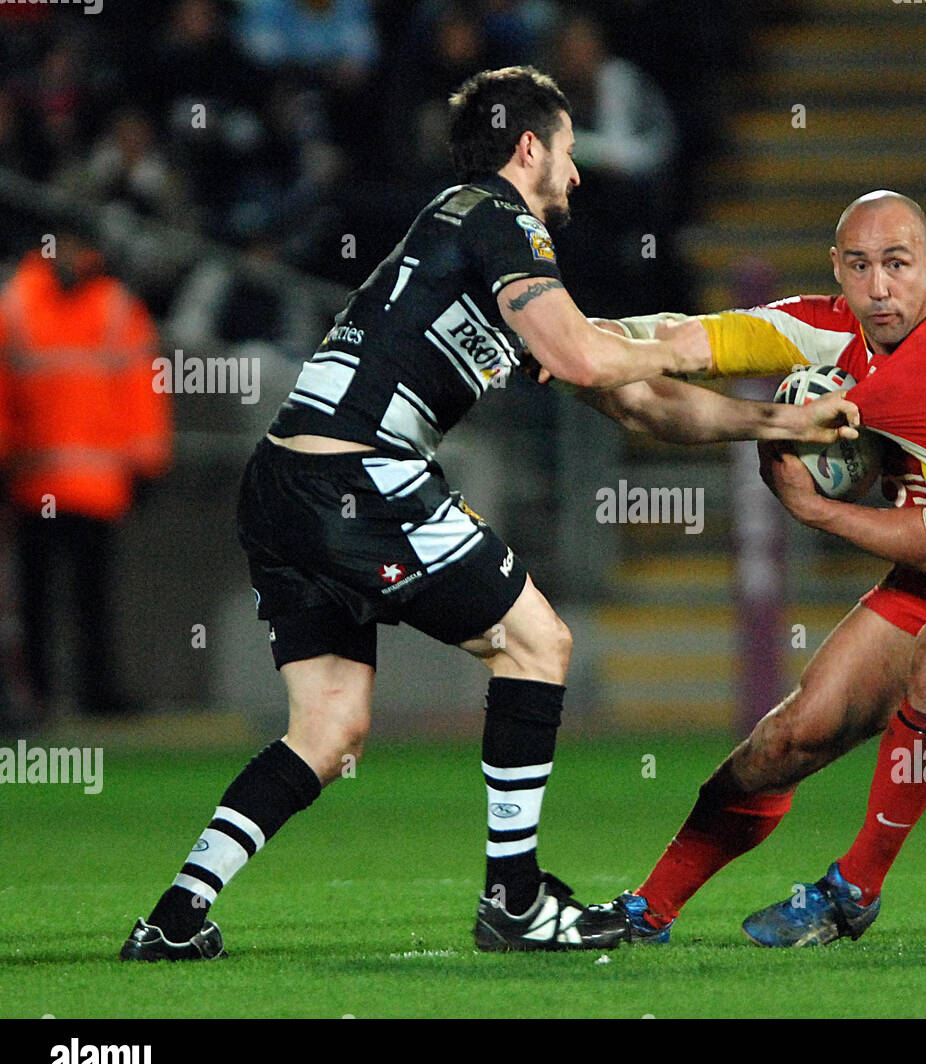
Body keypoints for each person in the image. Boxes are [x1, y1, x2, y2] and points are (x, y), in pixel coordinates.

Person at [120, 65, 858, 961]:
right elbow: (588, 359)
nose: (579, 176)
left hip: (287, 480)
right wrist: (668, 339)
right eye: (571, 153)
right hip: (360, 471)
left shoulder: (473, 246)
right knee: (539, 643)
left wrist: (777, 421)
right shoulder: (497, 216)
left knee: (326, 728)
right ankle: (513, 899)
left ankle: (176, 914)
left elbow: (641, 405)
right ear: (529, 148)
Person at [592, 189, 926, 947]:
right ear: (838, 269)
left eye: (899, 264)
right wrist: (579, 341)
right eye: (861, 266)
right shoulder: (828, 328)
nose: (879, 287)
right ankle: (646, 911)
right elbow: (686, 340)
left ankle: (854, 890)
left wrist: (821, 513)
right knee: (788, 739)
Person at [0, 225, 170, 719]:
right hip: (39, 483)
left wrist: (146, 462)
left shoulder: (109, 307)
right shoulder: (19, 305)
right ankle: (43, 697)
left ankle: (84, 692)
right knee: (40, 601)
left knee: (88, 600)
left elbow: (142, 387)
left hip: (90, 484)